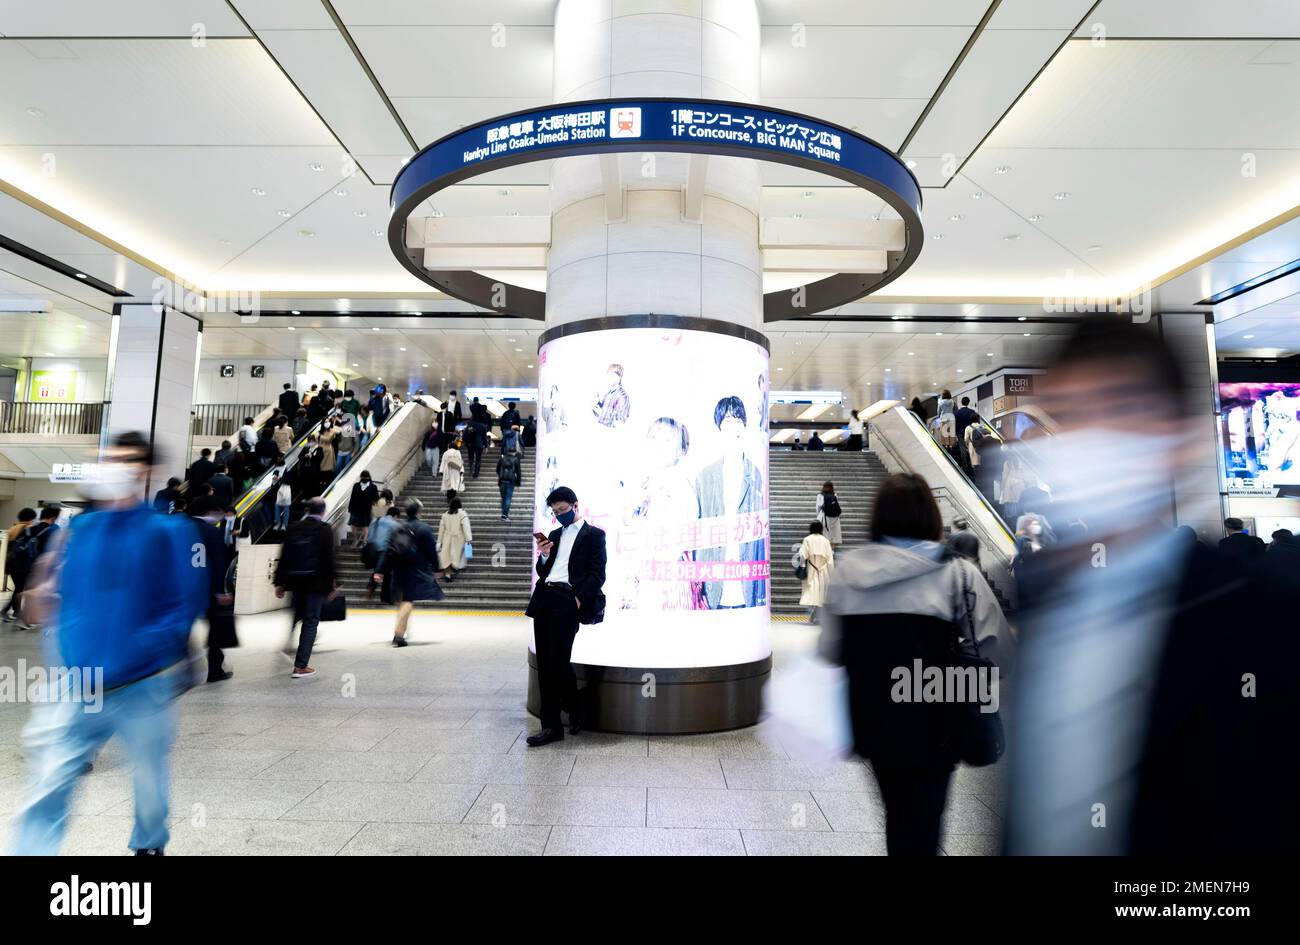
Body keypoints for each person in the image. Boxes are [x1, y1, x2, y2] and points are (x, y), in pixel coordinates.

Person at [1004, 316, 1300, 856]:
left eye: (1119, 409)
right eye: (1070, 417)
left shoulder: (1265, 616)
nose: (1091, 441)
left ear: (1177, 435)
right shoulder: (1048, 602)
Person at [8, 431, 207, 855]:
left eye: (126, 460)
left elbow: (182, 607)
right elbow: (58, 599)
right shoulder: (79, 530)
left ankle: (149, 844)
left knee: (149, 781)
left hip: (141, 684)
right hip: (77, 681)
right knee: (49, 783)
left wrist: (136, 653)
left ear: (146, 471)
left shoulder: (169, 532)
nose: (114, 467)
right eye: (109, 458)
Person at [818, 472, 1010, 855]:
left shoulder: (847, 573)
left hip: (873, 722)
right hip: (938, 723)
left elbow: (830, 650)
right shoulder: (958, 575)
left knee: (900, 811)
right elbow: (999, 651)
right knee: (924, 818)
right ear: (930, 516)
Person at [525, 486, 607, 746]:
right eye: (555, 511)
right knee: (546, 664)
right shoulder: (554, 534)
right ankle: (557, 721)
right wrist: (545, 554)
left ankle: (566, 714)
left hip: (568, 600)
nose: (559, 515)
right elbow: (543, 569)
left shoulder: (594, 535)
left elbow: (597, 574)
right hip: (545, 596)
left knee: (557, 661)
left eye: (562, 510)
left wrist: (578, 597)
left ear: (575, 505)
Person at [696, 396, 766, 609]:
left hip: (746, 581)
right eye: (727, 422)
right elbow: (699, 531)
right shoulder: (705, 477)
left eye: (738, 422)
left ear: (744, 427)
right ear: (719, 429)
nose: (733, 428)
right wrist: (700, 582)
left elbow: (761, 538)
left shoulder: (755, 474)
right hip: (714, 580)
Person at [273, 496, 338, 679]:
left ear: (307, 510)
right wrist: (332, 583)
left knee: (298, 614)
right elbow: (328, 559)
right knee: (310, 622)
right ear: (323, 511)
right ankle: (301, 666)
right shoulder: (325, 530)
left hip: (295, 581)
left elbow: (284, 555)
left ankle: (295, 655)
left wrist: (280, 583)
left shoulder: (295, 527)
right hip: (316, 583)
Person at [387, 498, 445, 647]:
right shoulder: (423, 528)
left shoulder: (398, 527)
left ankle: (401, 631)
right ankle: (398, 635)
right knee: (407, 601)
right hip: (415, 570)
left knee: (404, 601)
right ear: (418, 512)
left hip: (399, 569)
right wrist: (437, 568)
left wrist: (381, 570)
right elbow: (431, 551)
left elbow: (389, 549)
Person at [191, 497, 238, 682]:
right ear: (211, 512)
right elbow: (218, 565)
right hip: (207, 589)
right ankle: (215, 670)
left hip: (186, 588)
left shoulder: (184, 529)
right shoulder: (212, 532)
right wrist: (220, 591)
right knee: (215, 631)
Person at [2, 507, 38, 624]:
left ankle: (15, 611)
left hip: (11, 562)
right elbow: (29, 548)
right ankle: (6, 611)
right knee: (19, 588)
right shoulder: (27, 528)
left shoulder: (13, 528)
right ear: (31, 518)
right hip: (22, 563)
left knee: (18, 587)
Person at [798, 520, 834, 623]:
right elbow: (830, 560)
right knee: (821, 593)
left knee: (811, 591)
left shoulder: (807, 540)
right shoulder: (826, 541)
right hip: (823, 570)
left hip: (811, 569)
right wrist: (832, 573)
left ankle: (813, 612)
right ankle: (817, 614)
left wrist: (802, 566)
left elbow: (802, 555)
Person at [436, 496, 472, 582]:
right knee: (456, 555)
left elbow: (441, 529)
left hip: (447, 537)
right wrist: (468, 538)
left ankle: (448, 575)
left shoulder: (445, 515)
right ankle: (454, 567)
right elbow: (466, 527)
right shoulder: (462, 514)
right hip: (458, 538)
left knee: (447, 556)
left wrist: (439, 541)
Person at [347, 470, 378, 547]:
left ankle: (364, 540)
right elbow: (352, 497)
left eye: (365, 477)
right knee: (353, 524)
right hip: (355, 508)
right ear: (361, 477)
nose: (364, 479)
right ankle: (356, 538)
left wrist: (373, 501)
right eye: (363, 477)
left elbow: (376, 497)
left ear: (369, 477)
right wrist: (350, 508)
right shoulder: (356, 485)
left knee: (365, 525)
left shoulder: (373, 486)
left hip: (366, 509)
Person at [497, 447, 522, 520]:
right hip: (511, 481)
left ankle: (503, 513)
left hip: (502, 481)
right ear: (514, 452)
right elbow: (518, 472)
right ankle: (504, 515)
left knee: (503, 497)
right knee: (508, 498)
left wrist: (501, 475)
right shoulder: (516, 460)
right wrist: (518, 483)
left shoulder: (502, 458)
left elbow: (497, 469)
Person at [816, 481, 844, 545]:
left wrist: (818, 516)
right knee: (834, 534)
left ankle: (825, 549)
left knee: (825, 533)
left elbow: (818, 508)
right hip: (835, 518)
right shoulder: (834, 495)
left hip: (824, 516)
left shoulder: (820, 496)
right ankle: (831, 549)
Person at [273, 465, 293, 531]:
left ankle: (284, 524)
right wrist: (275, 478)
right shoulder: (276, 470)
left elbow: (289, 480)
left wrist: (280, 478)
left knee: (286, 508)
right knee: (277, 507)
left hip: (286, 490)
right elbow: (273, 481)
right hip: (279, 491)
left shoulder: (287, 471)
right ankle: (278, 523)